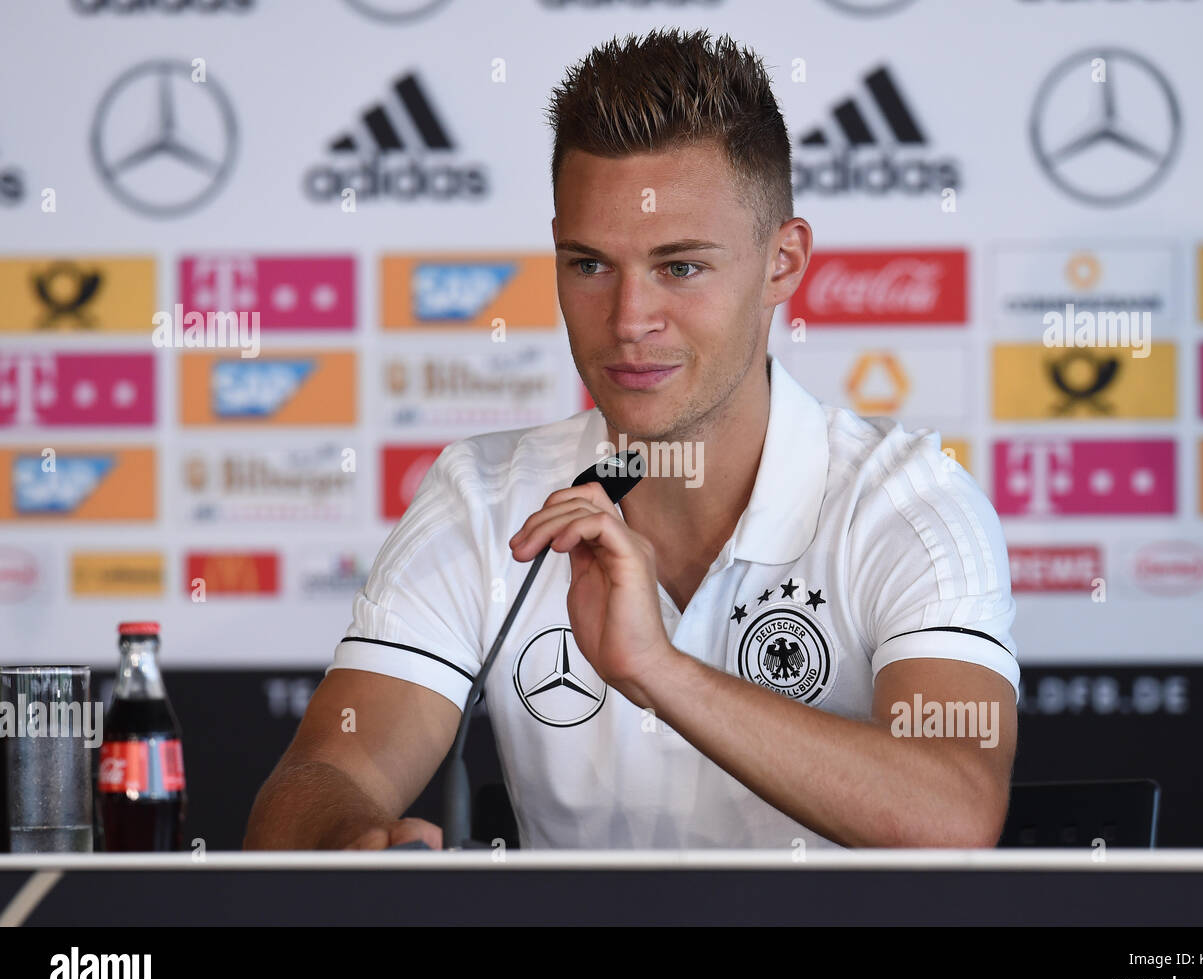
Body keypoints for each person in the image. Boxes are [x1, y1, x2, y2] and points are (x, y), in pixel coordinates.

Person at [244, 28, 1019, 852]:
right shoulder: (486, 494)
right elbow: (325, 776)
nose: (628, 321)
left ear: (783, 263)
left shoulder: (906, 502)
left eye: (679, 267)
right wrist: (351, 845)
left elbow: (953, 808)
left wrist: (661, 671)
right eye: (589, 265)